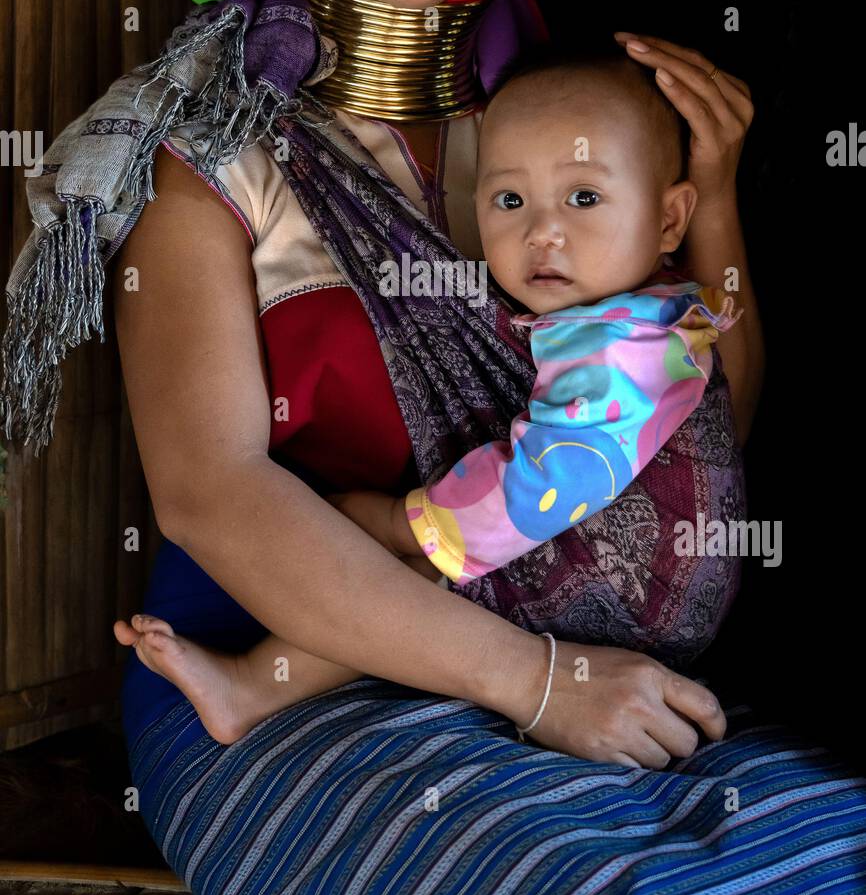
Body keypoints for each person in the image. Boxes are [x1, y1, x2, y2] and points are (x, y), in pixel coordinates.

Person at [3, 0, 863, 895]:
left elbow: (698, 423)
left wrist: (715, 195)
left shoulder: (554, 127)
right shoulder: (208, 161)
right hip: (278, 673)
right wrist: (538, 684)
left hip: (561, 620)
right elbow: (213, 498)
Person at [118, 48, 748, 746]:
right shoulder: (647, 310)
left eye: (584, 198)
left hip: (628, 591)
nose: (543, 233)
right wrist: (528, 678)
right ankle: (250, 688)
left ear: (670, 219)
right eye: (510, 202)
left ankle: (251, 687)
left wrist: (398, 521)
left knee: (434, 558)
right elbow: (205, 490)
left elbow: (549, 482)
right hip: (583, 587)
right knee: (428, 566)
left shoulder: (619, 346)